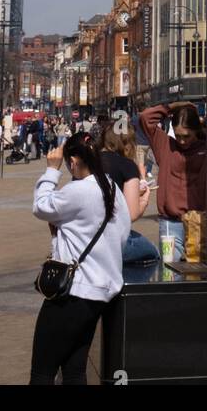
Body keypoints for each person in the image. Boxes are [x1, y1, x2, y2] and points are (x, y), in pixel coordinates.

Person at [29, 134, 131, 385]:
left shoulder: (78, 191)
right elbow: (123, 233)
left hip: (71, 294)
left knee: (43, 372)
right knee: (75, 370)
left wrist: (51, 171)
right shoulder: (111, 188)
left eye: (67, 164)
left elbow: (41, 206)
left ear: (73, 161)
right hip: (99, 294)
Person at [139, 101, 207, 261]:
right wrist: (175, 106)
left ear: (196, 130)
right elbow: (145, 118)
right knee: (169, 272)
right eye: (178, 136)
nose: (182, 141)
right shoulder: (165, 145)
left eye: (186, 136)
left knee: (197, 275)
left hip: (199, 221)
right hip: (170, 222)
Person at [98, 122, 157, 265]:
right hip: (111, 239)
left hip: (84, 237)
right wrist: (143, 201)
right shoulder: (127, 166)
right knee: (153, 253)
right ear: (127, 143)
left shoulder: (88, 161)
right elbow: (131, 215)